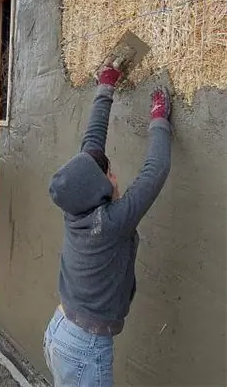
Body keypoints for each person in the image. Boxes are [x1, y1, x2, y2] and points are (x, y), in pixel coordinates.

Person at [44, 63, 172, 387]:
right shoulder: (113, 223)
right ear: (99, 189)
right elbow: (154, 171)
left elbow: (92, 144)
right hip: (85, 348)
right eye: (109, 176)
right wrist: (159, 120)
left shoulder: (74, 203)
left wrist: (105, 88)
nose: (114, 176)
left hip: (60, 332)